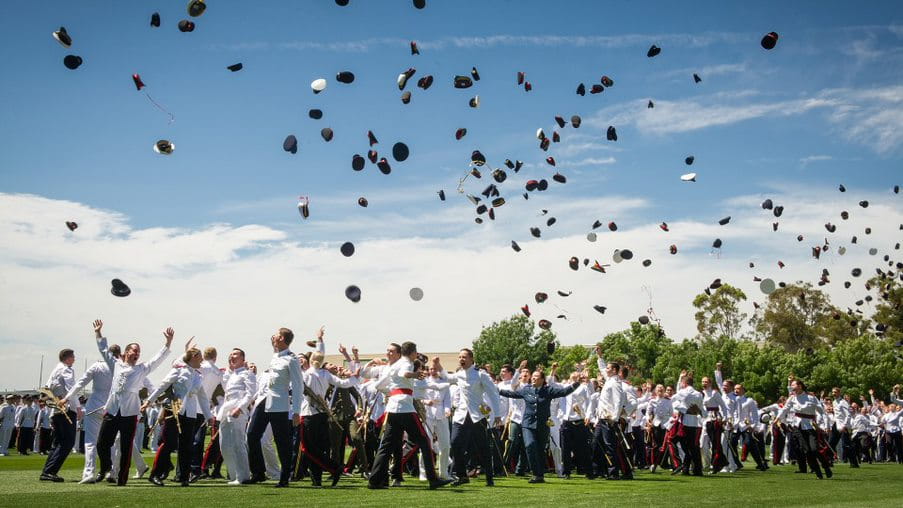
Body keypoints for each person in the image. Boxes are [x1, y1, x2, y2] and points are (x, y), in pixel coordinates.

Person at [94, 319, 173, 486]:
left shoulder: (141, 369)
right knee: (102, 444)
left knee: (126, 448)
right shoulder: (116, 364)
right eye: (134, 351)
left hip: (130, 414)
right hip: (113, 411)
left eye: (139, 352)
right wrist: (98, 333)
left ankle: (121, 479)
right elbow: (103, 350)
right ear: (127, 352)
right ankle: (106, 468)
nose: (137, 354)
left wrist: (167, 343)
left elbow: (157, 360)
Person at [368, 342, 452, 490]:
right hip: (405, 408)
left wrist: (393, 392)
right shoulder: (406, 363)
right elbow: (405, 374)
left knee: (386, 446)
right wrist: (414, 375)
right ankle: (433, 479)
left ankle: (374, 481)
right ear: (412, 352)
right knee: (425, 441)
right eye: (416, 352)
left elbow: (379, 385)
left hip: (392, 408)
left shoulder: (393, 366)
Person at [144, 347, 213, 486]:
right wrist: (149, 401)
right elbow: (163, 386)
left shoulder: (198, 375)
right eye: (200, 357)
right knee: (168, 443)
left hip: (190, 413)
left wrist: (209, 416)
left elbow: (203, 397)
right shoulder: (179, 370)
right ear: (194, 356)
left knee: (186, 446)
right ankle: (155, 474)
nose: (202, 360)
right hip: (175, 408)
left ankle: (183, 477)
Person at [434, 348, 501, 487]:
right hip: (461, 415)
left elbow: (494, 394)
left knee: (483, 448)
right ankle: (462, 476)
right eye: (459, 357)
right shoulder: (459, 374)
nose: (461, 359)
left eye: (464, 357)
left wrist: (498, 414)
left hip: (477, 416)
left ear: (471, 359)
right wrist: (438, 365)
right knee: (455, 443)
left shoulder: (481, 375)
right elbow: (446, 376)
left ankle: (489, 477)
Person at [246, 327, 305, 488]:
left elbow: (298, 386)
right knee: (251, 435)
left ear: (282, 339)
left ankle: (285, 477)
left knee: (282, 442)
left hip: (279, 404)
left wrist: (297, 411)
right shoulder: (276, 356)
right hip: (265, 400)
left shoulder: (291, 359)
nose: (274, 337)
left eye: (277, 335)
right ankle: (258, 472)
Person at [499, 369, 580, 483]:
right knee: (530, 445)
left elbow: (564, 392)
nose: (533, 378)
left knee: (540, 449)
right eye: (533, 376)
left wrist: (577, 383)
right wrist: (496, 390)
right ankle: (536, 473)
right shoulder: (526, 390)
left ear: (542, 380)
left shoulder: (548, 390)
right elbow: (512, 394)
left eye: (536, 377)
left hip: (543, 425)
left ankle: (540, 475)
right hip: (527, 424)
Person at [299, 349, 358, 487]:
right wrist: (354, 377)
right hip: (323, 414)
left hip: (309, 413)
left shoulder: (307, 374)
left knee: (308, 448)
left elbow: (303, 391)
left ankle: (333, 468)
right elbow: (344, 383)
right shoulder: (325, 374)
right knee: (319, 448)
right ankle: (317, 479)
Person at [63, 342, 118, 483]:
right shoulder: (120, 366)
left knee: (90, 443)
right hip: (111, 408)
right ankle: (112, 472)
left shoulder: (97, 366)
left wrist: (66, 398)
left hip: (94, 406)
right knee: (110, 443)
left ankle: (89, 473)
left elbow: (80, 383)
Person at [40, 348, 80, 481]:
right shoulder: (67, 370)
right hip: (65, 410)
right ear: (67, 358)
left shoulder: (55, 370)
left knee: (57, 443)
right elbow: (72, 388)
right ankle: (50, 471)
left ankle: (47, 471)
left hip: (55, 410)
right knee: (67, 442)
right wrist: (78, 407)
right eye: (73, 357)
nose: (74, 359)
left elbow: (46, 389)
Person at [217, 348, 256, 485]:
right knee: (224, 445)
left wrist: (240, 408)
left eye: (235, 355)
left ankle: (243, 476)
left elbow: (250, 393)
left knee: (238, 443)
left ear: (243, 359)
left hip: (238, 410)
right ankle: (233, 475)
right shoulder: (231, 375)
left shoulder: (247, 374)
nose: (232, 357)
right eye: (231, 354)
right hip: (226, 410)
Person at [780, 379, 833, 479]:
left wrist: (826, 426)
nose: (791, 387)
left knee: (814, 449)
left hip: (810, 426)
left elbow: (822, 413)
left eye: (793, 385)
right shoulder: (792, 398)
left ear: (799, 386)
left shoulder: (811, 398)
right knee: (807, 451)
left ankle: (826, 467)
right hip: (797, 427)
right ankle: (818, 472)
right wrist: (777, 419)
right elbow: (784, 409)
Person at [592, 347, 630, 480]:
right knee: (596, 444)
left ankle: (613, 472)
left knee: (610, 446)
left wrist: (614, 418)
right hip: (601, 418)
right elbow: (602, 368)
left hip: (608, 419)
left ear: (614, 370)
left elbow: (619, 402)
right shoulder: (609, 380)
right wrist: (599, 356)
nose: (605, 370)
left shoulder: (615, 383)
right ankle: (598, 470)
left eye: (608, 368)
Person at [192, 347, 223, 480]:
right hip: (205, 408)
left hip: (193, 404)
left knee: (191, 440)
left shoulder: (201, 367)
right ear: (215, 357)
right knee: (199, 440)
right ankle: (198, 468)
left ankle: (192, 468)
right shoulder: (217, 372)